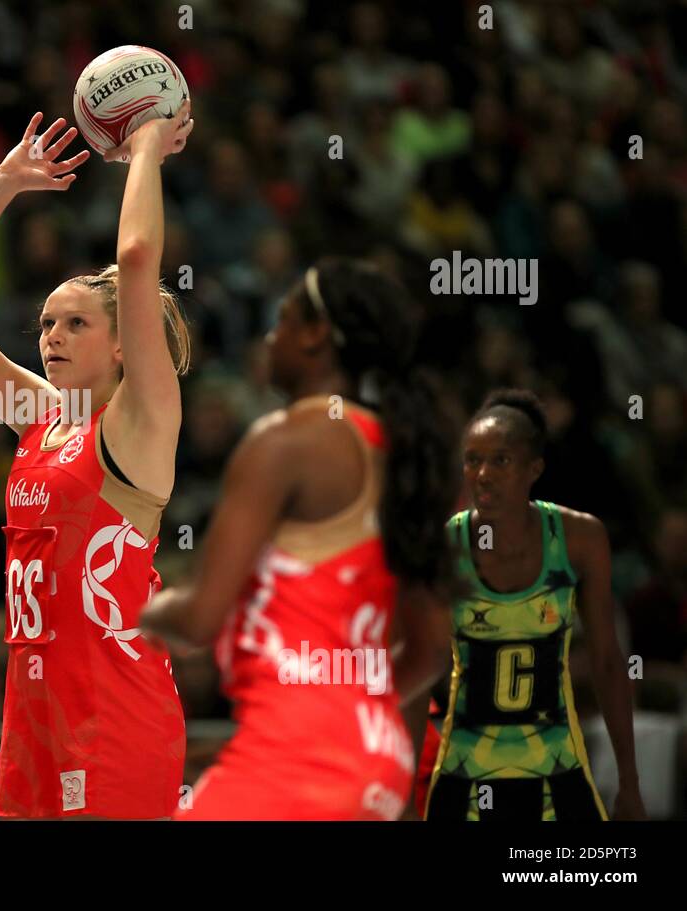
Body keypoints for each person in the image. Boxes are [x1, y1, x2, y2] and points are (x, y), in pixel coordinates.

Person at [0, 104, 194, 818]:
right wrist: (1, 183)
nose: (51, 337)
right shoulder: (42, 417)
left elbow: (134, 260)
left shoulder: (138, 422)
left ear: (124, 344)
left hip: (115, 715)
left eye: (75, 323)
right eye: (45, 324)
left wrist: (148, 141)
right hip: (32, 711)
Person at [142, 258, 458, 820]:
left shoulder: (286, 443)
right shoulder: (400, 452)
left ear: (317, 336)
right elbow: (432, 646)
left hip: (302, 755)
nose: (269, 337)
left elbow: (199, 620)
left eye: (282, 321)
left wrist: (150, 610)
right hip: (378, 760)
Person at [423, 389, 646, 820]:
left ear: (534, 468)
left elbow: (607, 662)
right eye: (472, 460)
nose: (483, 473)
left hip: (556, 770)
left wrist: (629, 783)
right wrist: (403, 795)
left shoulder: (581, 538)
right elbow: (417, 673)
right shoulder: (442, 547)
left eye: (501, 460)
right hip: (464, 775)